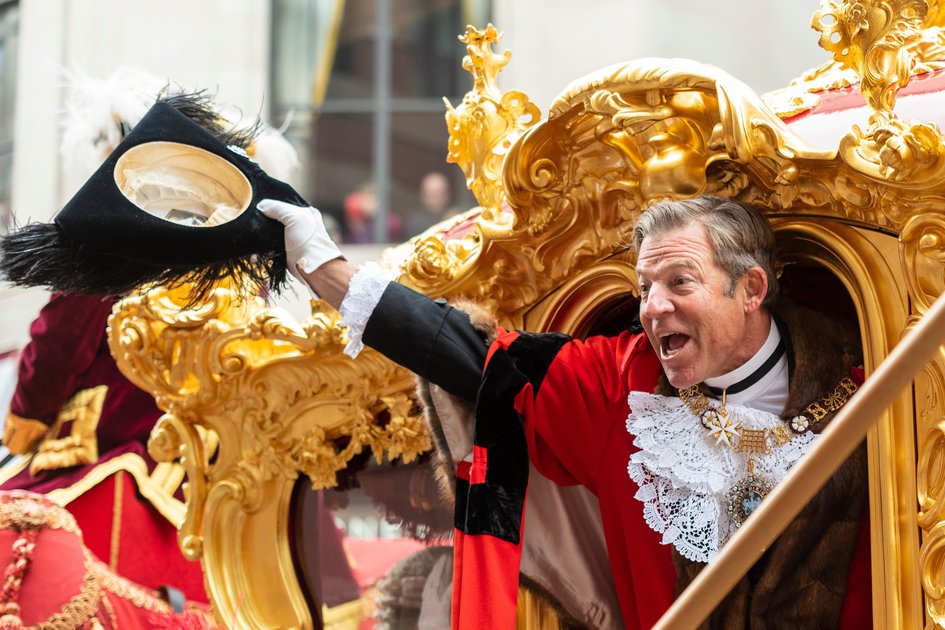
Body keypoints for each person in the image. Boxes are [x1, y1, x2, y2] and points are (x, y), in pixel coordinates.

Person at [257, 195, 874, 627]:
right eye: (644, 287)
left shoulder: (868, 379)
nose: (653, 308)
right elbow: (476, 360)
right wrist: (323, 267)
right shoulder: (619, 385)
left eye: (680, 283)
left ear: (752, 290)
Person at [405, 171, 460, 237]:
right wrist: (447, 223)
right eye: (432, 195)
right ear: (423, 196)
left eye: (440, 194)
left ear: (448, 195)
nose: (436, 200)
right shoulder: (416, 222)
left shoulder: (457, 217)